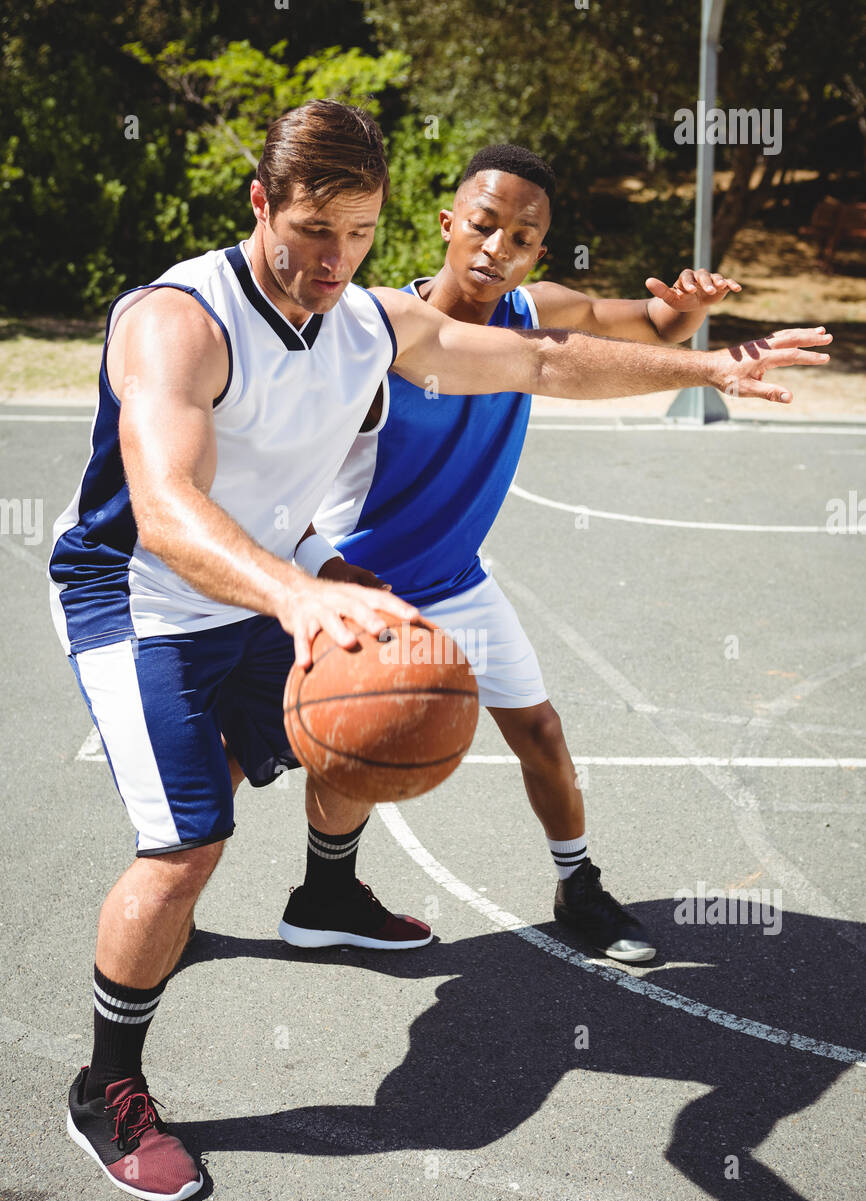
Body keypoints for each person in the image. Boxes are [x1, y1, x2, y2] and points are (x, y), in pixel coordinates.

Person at [48, 101, 830, 1201]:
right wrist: (299, 595)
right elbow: (168, 508)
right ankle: (107, 1087)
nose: (335, 261)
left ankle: (320, 904)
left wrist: (705, 370)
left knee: (320, 743)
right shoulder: (180, 320)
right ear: (260, 202)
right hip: (143, 597)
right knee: (184, 842)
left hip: (277, 581)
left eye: (359, 234)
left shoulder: (367, 322)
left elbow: (543, 362)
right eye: (313, 231)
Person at [287, 142, 826, 966]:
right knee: (345, 746)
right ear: (447, 223)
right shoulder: (375, 328)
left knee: (539, 730)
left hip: (457, 581)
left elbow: (645, 328)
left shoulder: (537, 313)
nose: (498, 246)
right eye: (484, 224)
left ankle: (579, 888)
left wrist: (686, 311)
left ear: (540, 252)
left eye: (522, 236)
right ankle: (319, 889)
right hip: (361, 585)